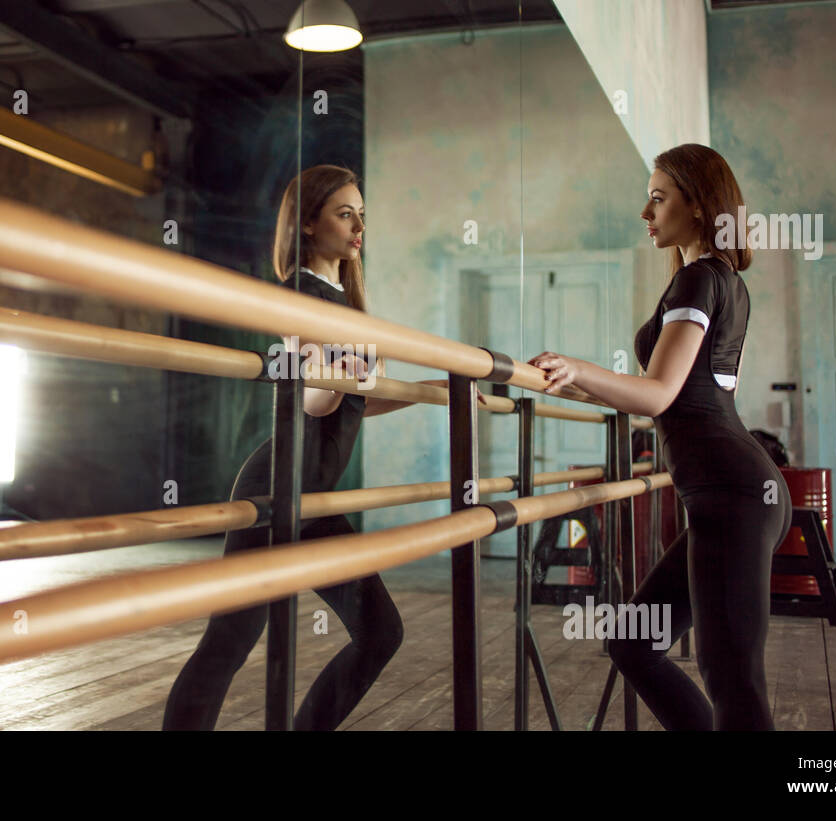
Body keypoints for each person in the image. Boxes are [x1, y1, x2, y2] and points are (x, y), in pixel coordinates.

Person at [163, 164, 478, 731]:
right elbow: (314, 401)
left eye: (362, 215)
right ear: (309, 223)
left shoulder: (346, 300)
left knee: (380, 632)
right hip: (277, 486)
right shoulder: (299, 295)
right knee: (231, 641)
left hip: (316, 498)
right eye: (344, 213)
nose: (359, 227)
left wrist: (436, 391)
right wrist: (336, 372)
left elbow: (356, 401)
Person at [529, 144, 791, 731]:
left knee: (733, 683)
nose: (645, 213)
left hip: (734, 496)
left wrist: (579, 366)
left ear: (698, 206)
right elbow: (678, 396)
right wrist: (571, 385)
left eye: (657, 198)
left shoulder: (701, 279)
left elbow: (658, 395)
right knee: (632, 641)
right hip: (732, 495)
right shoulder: (716, 280)